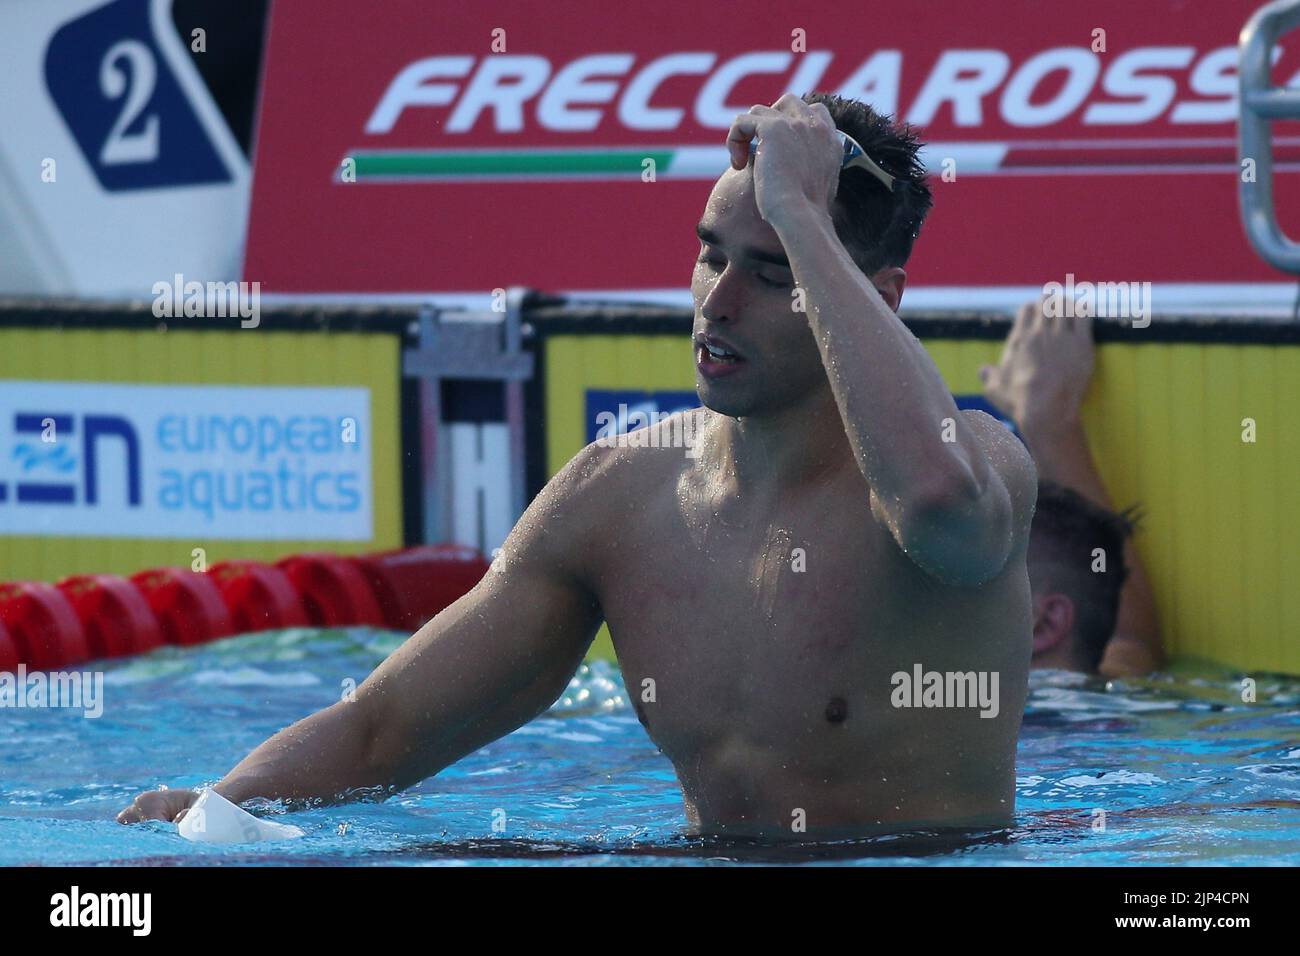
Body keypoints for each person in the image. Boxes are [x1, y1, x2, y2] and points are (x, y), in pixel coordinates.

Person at [120, 92, 1038, 840]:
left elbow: (934, 508)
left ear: (873, 300)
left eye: (771, 271)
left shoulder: (975, 465)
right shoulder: (619, 499)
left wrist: (801, 209)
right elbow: (383, 730)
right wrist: (220, 805)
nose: (715, 302)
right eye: (709, 254)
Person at [982, 300, 1163, 677]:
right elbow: (1129, 644)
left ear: (1045, 624)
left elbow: (1126, 643)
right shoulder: (1102, 700)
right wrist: (1049, 426)